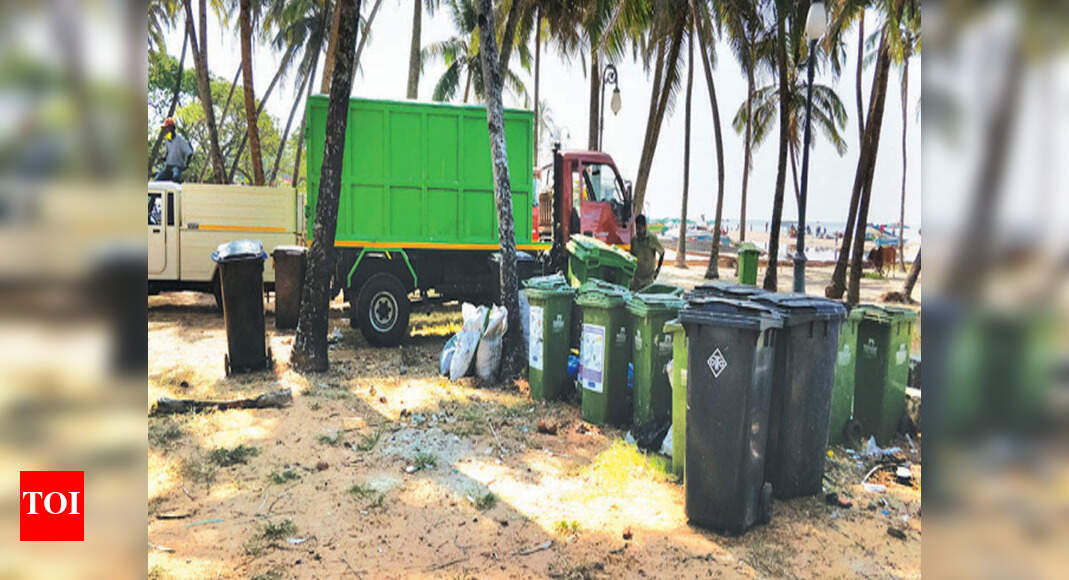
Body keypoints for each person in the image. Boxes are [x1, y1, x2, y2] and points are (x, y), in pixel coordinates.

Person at [629, 214, 664, 290]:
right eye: (636, 228)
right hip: (636, 279)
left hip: (648, 279)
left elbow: (662, 253)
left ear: (645, 226)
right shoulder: (634, 240)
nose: (638, 231)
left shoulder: (652, 238)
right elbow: (631, 257)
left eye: (640, 228)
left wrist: (658, 270)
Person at [155, 118, 193, 182]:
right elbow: (167, 153)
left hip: (177, 166)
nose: (166, 130)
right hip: (168, 167)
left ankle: (179, 182)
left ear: (172, 128)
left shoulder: (180, 139)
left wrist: (186, 165)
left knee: (176, 177)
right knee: (157, 179)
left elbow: (189, 153)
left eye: (167, 128)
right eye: (165, 128)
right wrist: (162, 158)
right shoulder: (167, 139)